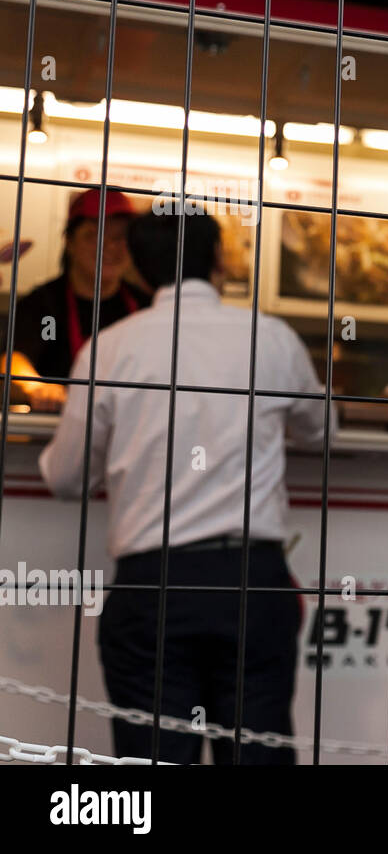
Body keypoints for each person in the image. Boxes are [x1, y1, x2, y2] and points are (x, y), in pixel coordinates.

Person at [39, 207, 333, 765]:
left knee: (152, 764)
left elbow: (67, 477)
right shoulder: (270, 338)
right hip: (252, 582)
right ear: (219, 260)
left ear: (141, 271)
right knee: (257, 756)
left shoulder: (110, 348)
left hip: (153, 590)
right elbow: (322, 431)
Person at [5, 188, 150, 411]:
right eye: (94, 235)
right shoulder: (45, 305)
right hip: (57, 429)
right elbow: (13, 360)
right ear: (69, 242)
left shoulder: (145, 306)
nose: (109, 246)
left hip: (126, 431)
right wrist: (36, 387)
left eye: (119, 237)